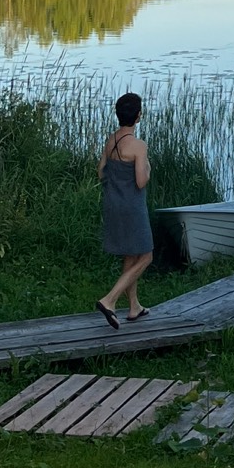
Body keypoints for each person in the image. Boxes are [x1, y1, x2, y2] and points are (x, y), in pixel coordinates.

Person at [96, 91, 153, 326]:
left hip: (113, 204)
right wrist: (148, 168)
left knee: (131, 254)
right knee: (147, 256)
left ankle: (134, 307)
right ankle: (110, 299)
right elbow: (141, 181)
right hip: (132, 206)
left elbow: (101, 173)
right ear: (138, 116)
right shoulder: (138, 145)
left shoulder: (112, 141)